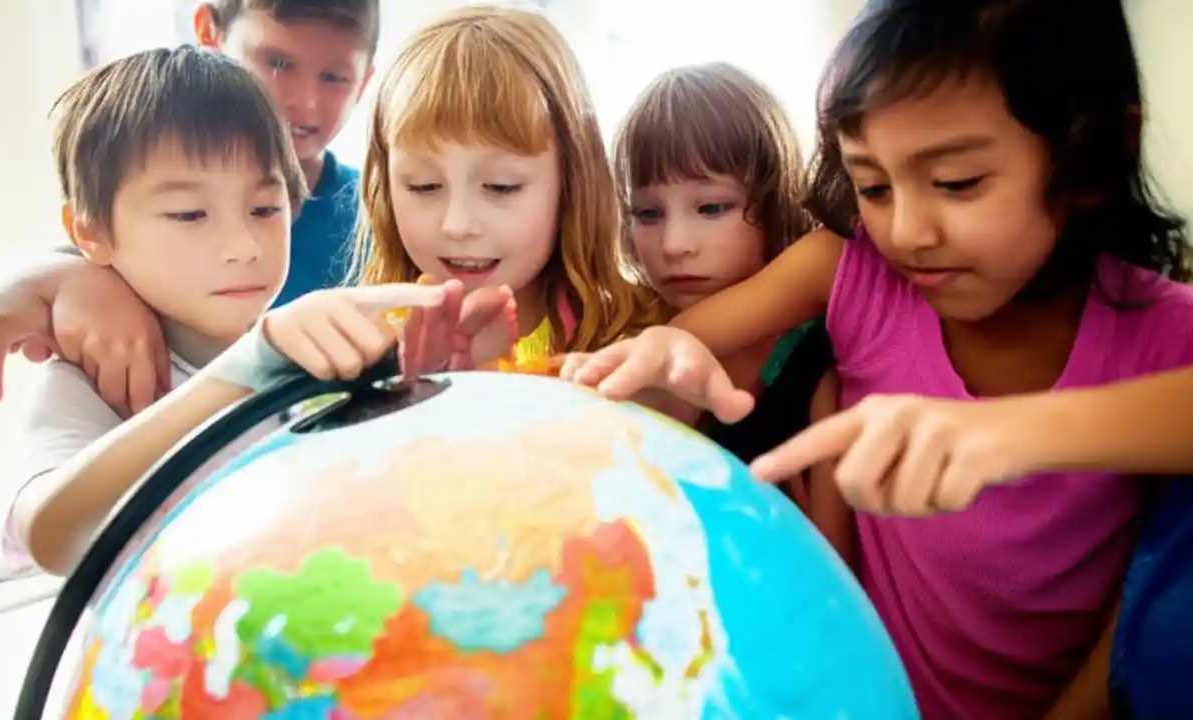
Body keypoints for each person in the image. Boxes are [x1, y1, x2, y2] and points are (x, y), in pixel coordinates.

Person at [562, 1, 1193, 717]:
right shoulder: (851, 270)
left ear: (1094, 153)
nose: (907, 230)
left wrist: (1011, 433)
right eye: (873, 186)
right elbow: (672, 348)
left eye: (956, 183)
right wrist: (674, 346)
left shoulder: (1160, 333)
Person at [0, 0, 380, 417]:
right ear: (209, 32)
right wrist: (58, 279)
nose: (304, 101)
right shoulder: (139, 176)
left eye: (334, 76)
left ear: (364, 81)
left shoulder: (377, 215)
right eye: (277, 62)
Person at [352, 4, 663, 372]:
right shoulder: (366, 345)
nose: (458, 224)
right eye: (424, 186)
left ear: (572, 184)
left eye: (501, 187)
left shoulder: (629, 342)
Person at [609, 61, 844, 539]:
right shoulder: (621, 333)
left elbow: (834, 567)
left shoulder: (810, 365)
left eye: (711, 207)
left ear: (776, 200)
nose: (675, 244)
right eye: (648, 213)